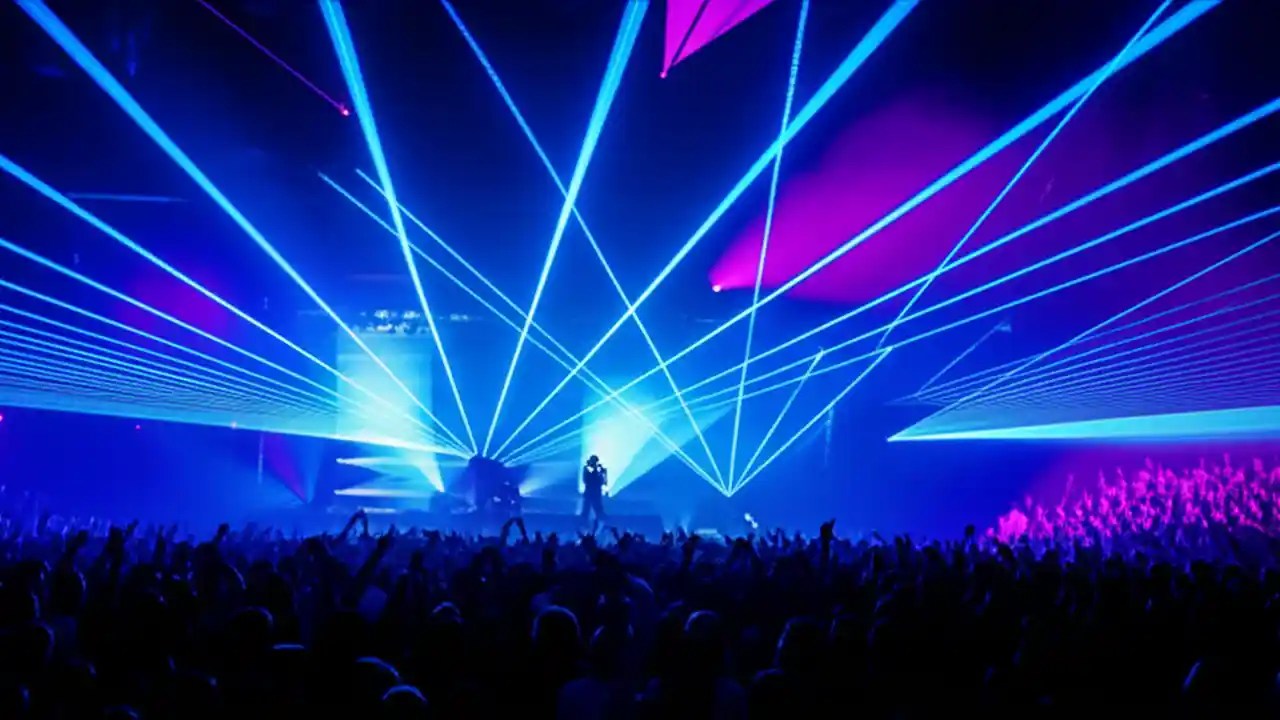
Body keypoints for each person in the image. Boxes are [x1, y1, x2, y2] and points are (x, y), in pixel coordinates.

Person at [580, 455, 608, 528]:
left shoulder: (599, 470)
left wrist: (603, 473)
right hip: (590, 491)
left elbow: (603, 481)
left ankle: (600, 524)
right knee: (586, 508)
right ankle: (584, 524)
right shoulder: (587, 468)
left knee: (598, 508)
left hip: (596, 491)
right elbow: (585, 480)